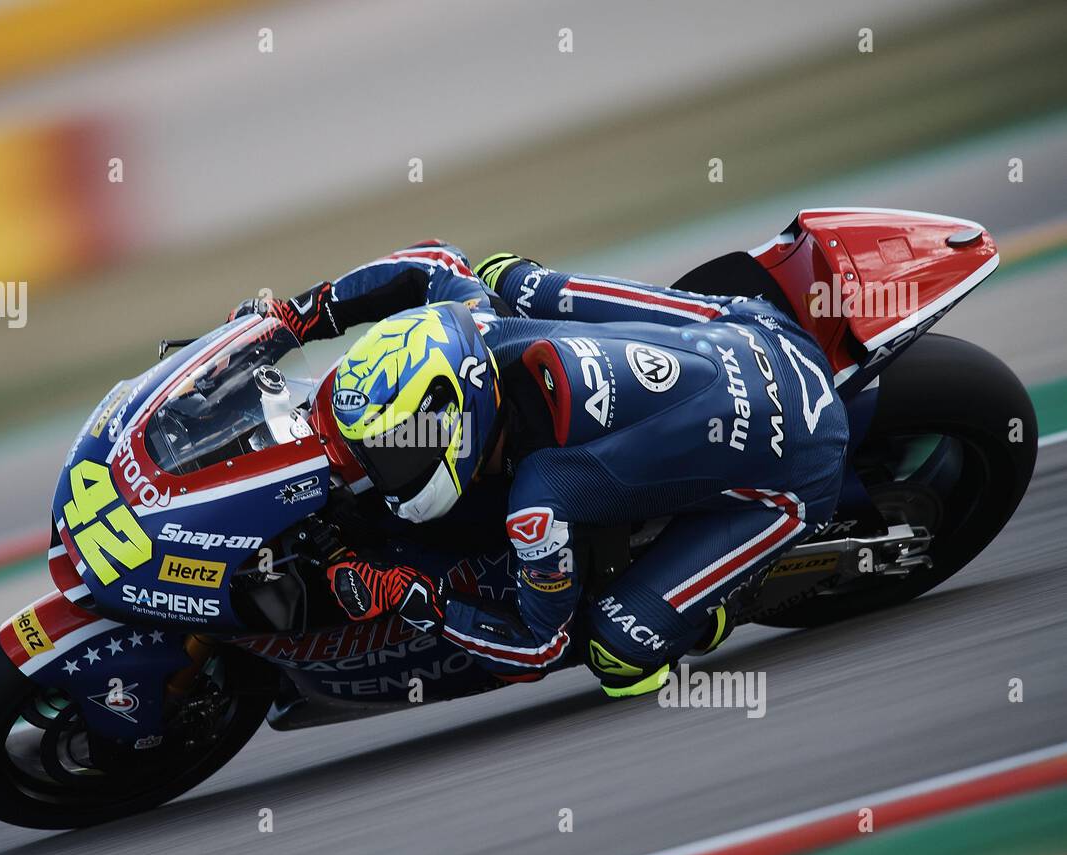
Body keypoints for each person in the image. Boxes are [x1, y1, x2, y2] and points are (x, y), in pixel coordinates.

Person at [227, 240, 849, 696]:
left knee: (618, 652)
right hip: (753, 326)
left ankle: (715, 606)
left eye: (389, 450)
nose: (375, 468)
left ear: (455, 431)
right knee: (513, 279)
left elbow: (537, 645)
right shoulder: (475, 322)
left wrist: (413, 596)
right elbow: (431, 262)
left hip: (798, 464)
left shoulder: (538, 505)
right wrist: (305, 314)